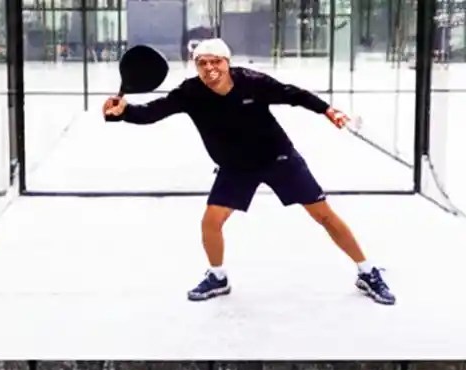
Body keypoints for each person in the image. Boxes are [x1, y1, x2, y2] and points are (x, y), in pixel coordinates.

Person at [103, 38, 395, 306]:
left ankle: (367, 272)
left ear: (227, 62)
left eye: (215, 61)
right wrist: (123, 112)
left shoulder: (253, 82)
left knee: (324, 215)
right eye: (202, 63)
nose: (209, 67)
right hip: (235, 166)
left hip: (278, 157)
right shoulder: (190, 92)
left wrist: (328, 110)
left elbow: (294, 94)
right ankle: (218, 277)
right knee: (211, 222)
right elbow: (152, 112)